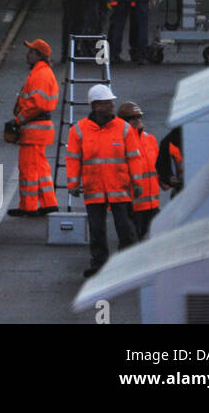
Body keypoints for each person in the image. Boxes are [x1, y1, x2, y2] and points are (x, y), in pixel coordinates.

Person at [67, 84, 145, 277]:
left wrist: (137, 183)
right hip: (95, 188)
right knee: (96, 229)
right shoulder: (79, 130)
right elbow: (73, 158)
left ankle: (127, 264)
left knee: (125, 229)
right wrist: (73, 183)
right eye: (108, 102)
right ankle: (99, 265)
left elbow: (134, 157)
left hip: (119, 187)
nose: (112, 105)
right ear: (96, 106)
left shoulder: (123, 128)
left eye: (111, 102)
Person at [7, 39, 61, 217]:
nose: (27, 54)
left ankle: (28, 206)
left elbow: (36, 105)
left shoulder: (40, 75)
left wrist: (18, 120)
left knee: (28, 168)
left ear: (38, 55)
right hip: (39, 128)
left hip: (35, 128)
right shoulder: (43, 73)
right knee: (40, 168)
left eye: (30, 51)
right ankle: (48, 203)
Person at [119, 102, 160, 239]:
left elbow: (157, 165)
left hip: (152, 202)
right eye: (133, 117)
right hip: (133, 204)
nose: (137, 120)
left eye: (139, 117)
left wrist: (165, 181)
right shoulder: (121, 142)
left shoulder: (150, 139)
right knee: (133, 239)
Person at [156, 126, 185, 198]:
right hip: (181, 188)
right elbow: (162, 166)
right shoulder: (169, 142)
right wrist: (169, 178)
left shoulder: (169, 141)